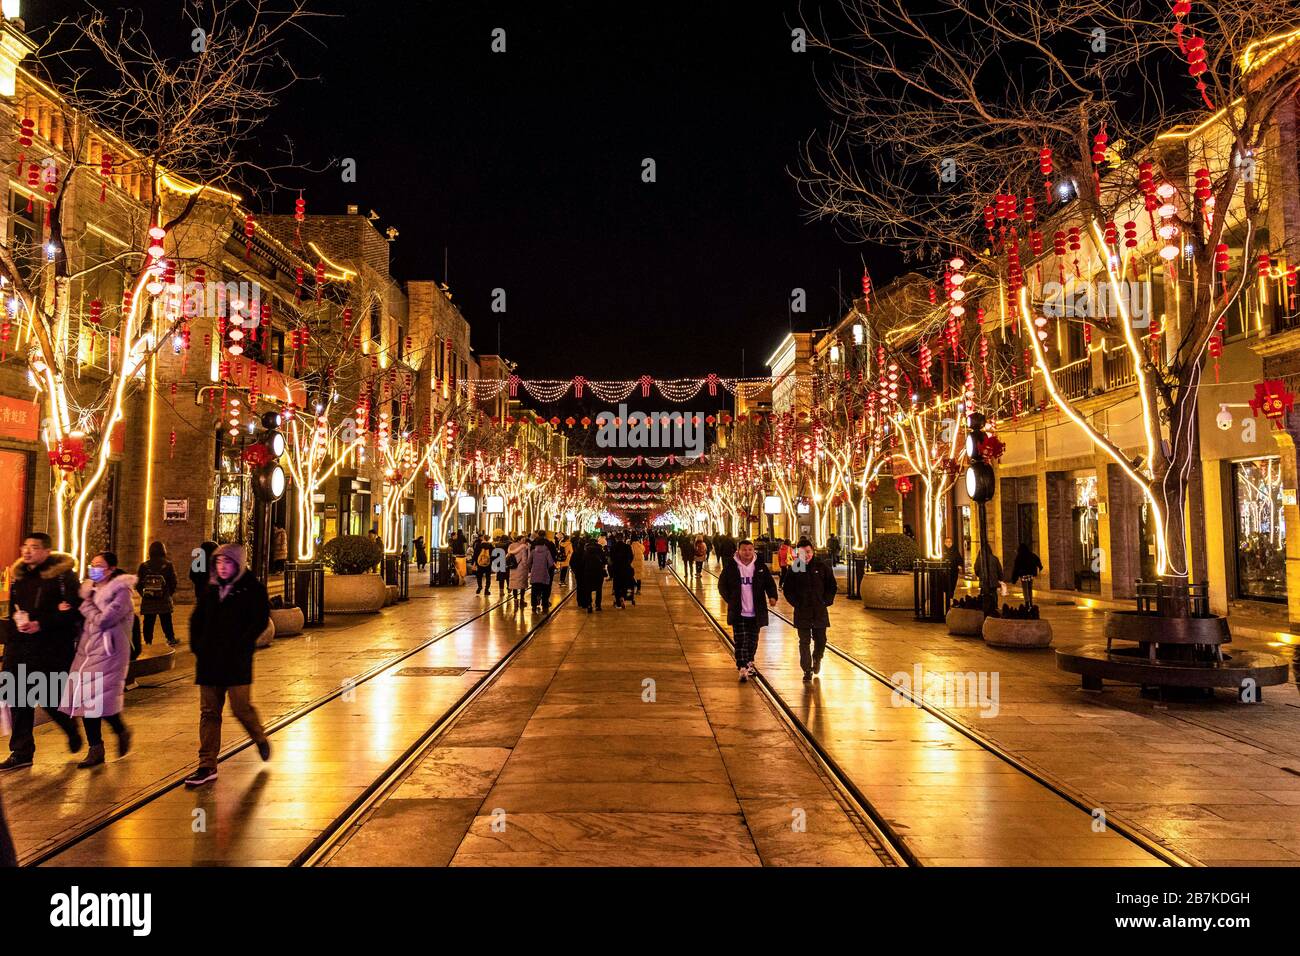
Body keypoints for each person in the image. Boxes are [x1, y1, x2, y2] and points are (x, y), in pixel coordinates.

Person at [183, 544, 271, 787]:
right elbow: (196, 620)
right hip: (210, 661)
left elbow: (260, 619)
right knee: (209, 713)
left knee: (241, 707)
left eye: (228, 563)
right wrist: (198, 646)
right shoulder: (210, 590)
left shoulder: (252, 589)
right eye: (219, 562)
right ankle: (206, 764)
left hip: (236, 661)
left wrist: (243, 643)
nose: (222, 567)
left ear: (238, 565)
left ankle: (259, 737)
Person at [0, 534, 84, 771]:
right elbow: (16, 608)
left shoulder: (63, 576)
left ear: (46, 551)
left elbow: (75, 612)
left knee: (48, 698)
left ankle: (70, 728)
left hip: (50, 649)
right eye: (25, 546)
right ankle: (21, 751)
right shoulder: (19, 577)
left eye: (34, 547)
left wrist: (41, 623)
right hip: (19, 647)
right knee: (16, 698)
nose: (27, 551)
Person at [61, 551, 134, 767]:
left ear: (111, 569)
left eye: (99, 565)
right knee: (86, 700)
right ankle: (97, 748)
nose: (94, 569)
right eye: (92, 565)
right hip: (87, 651)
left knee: (97, 701)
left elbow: (104, 620)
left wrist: (85, 606)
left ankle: (120, 730)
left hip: (109, 653)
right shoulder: (89, 590)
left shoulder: (121, 593)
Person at [718, 539, 778, 682]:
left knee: (753, 640)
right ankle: (742, 666)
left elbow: (770, 584)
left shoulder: (760, 567)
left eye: (750, 550)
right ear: (738, 551)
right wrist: (731, 599)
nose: (747, 553)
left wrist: (772, 596)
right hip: (739, 611)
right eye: (744, 550)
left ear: (753, 551)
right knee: (740, 640)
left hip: (756, 611)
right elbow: (722, 585)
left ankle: (750, 661)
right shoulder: (731, 567)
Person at [781, 538, 838, 682]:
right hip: (802, 611)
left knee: (821, 640)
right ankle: (807, 669)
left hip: (819, 610)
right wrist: (796, 603)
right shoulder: (796, 567)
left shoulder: (821, 565)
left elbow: (832, 585)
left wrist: (826, 601)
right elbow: (787, 588)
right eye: (802, 553)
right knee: (804, 641)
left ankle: (817, 658)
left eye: (808, 552)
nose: (806, 555)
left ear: (812, 551)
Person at [136, 540, 178, 648]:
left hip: (148, 600)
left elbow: (138, 583)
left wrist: (145, 594)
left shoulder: (144, 566)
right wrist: (168, 594)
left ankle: (148, 641)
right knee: (166, 620)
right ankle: (170, 638)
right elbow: (173, 582)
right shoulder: (168, 565)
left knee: (148, 622)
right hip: (163, 600)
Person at [528, 533, 556, 613]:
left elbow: (528, 562)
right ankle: (545, 604)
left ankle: (534, 605)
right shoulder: (547, 551)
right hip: (544, 573)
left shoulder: (533, 551)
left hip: (534, 574)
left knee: (534, 590)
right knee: (545, 589)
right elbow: (551, 563)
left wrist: (531, 567)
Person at [579, 537, 608, 612]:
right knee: (599, 589)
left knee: (588, 589)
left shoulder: (586, 551)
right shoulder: (600, 550)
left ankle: (589, 605)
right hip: (598, 572)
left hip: (588, 572)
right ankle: (598, 605)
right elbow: (605, 561)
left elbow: (582, 563)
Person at [609, 534, 635, 608]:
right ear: (623, 538)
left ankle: (618, 602)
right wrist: (627, 563)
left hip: (616, 569)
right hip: (625, 568)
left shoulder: (613, 547)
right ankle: (623, 597)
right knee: (624, 584)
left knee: (616, 585)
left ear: (616, 539)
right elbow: (631, 557)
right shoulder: (627, 547)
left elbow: (611, 558)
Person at [506, 534, 530, 607]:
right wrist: (527, 568)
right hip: (521, 569)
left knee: (514, 586)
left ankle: (515, 601)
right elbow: (524, 560)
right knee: (522, 585)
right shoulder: (523, 548)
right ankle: (522, 600)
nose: (524, 541)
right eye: (522, 540)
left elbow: (507, 556)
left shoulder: (511, 547)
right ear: (519, 540)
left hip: (513, 568)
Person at [942, 537, 964, 606]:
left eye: (950, 542)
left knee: (952, 585)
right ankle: (947, 598)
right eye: (947, 542)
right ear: (945, 543)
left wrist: (960, 565)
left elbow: (959, 558)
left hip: (953, 571)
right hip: (945, 572)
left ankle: (950, 598)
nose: (948, 543)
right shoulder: (942, 550)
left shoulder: (955, 550)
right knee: (946, 585)